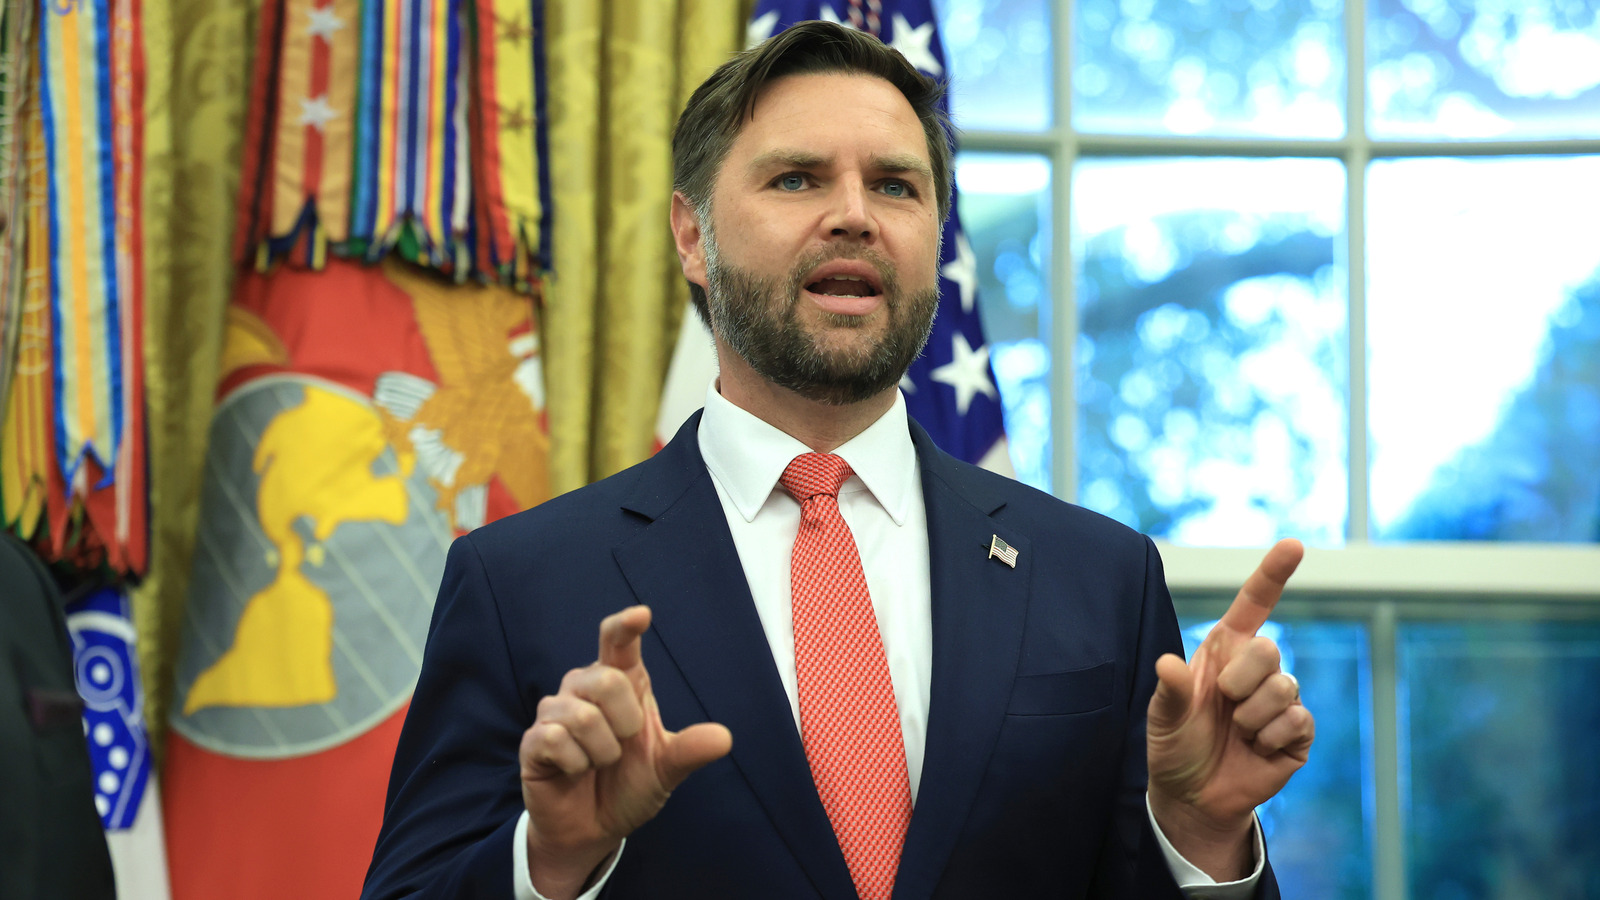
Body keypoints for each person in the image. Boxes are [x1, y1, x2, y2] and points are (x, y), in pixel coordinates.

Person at [362, 21, 1314, 900]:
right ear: (693, 237)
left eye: (896, 185)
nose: (854, 215)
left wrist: (1199, 836)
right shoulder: (521, 581)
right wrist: (552, 859)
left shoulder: (1100, 579)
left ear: (936, 238)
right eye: (797, 179)